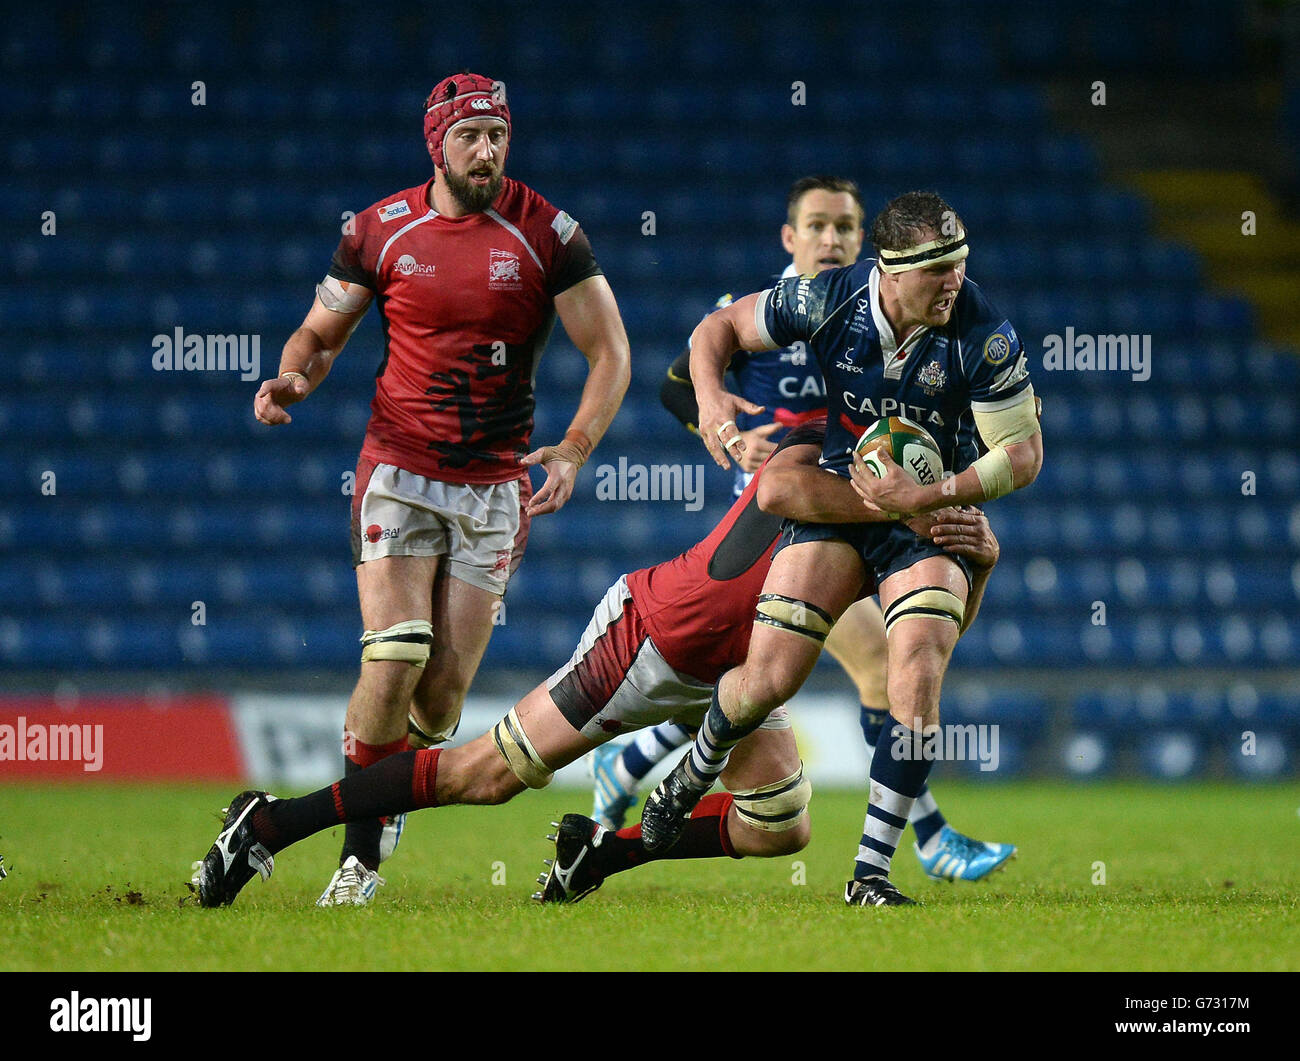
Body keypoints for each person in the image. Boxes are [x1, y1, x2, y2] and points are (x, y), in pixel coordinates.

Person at [192, 420, 1002, 908]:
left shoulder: (905, 535)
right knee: (484, 774)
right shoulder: (825, 475)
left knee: (780, 823)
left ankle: (597, 854)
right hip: (652, 640)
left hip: (732, 677)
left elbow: (926, 644)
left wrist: (981, 560)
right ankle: (268, 823)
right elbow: (773, 489)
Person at [250, 72, 631, 905]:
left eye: (498, 135)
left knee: (440, 701)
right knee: (395, 653)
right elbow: (319, 333)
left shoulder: (548, 233)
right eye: (471, 136)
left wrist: (571, 448)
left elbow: (611, 351)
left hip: (494, 487)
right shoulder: (378, 230)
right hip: (398, 470)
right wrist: (291, 378)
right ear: (437, 144)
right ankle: (359, 861)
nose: (488, 150)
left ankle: (379, 800)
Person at [591, 176, 1015, 883]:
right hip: (773, 517)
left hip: (846, 507)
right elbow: (675, 380)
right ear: (790, 238)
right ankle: (925, 838)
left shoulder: (865, 311)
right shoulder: (771, 309)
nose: (831, 239)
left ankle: (632, 761)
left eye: (844, 227)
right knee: (855, 668)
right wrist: (722, 426)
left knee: (782, 674)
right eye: (816, 226)